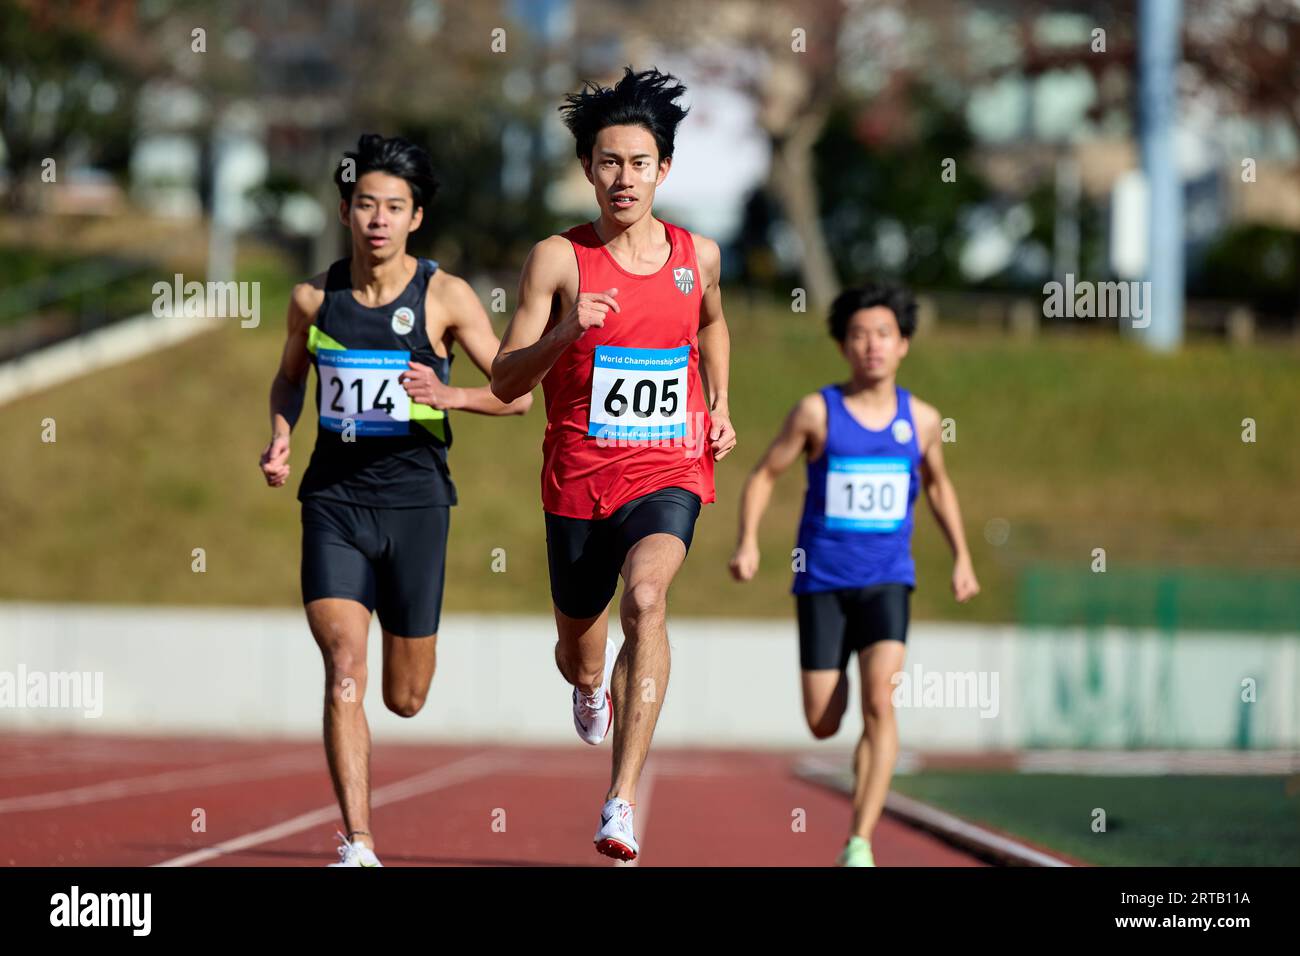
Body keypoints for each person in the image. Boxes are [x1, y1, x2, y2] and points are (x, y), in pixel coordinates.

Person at [259, 133, 532, 867]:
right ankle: (358, 842)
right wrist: (282, 433)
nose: (378, 219)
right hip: (335, 503)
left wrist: (452, 395)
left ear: (416, 218)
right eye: (366, 205)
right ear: (347, 211)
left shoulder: (445, 297)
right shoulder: (314, 299)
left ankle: (364, 819)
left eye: (395, 208)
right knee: (344, 662)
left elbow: (518, 396)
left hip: (416, 507)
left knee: (406, 697)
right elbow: (289, 378)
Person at [491, 67, 736, 861]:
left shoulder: (698, 253)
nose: (622, 178)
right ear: (588, 169)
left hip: (669, 470)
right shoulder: (557, 260)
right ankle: (591, 684)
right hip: (577, 480)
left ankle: (619, 802)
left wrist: (720, 401)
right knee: (580, 650)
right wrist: (567, 333)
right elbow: (503, 378)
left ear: (663, 168)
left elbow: (711, 326)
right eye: (607, 163)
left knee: (650, 598)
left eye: (637, 163)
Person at [729, 282, 979, 867]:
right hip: (821, 582)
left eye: (884, 335)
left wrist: (962, 556)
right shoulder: (818, 412)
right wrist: (747, 542)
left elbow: (939, 484)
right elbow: (766, 474)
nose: (872, 346)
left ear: (904, 345)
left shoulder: (921, 420)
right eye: (860, 335)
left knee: (880, 705)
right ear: (843, 345)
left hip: (888, 578)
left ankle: (859, 841)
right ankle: (861, 763)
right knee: (823, 722)